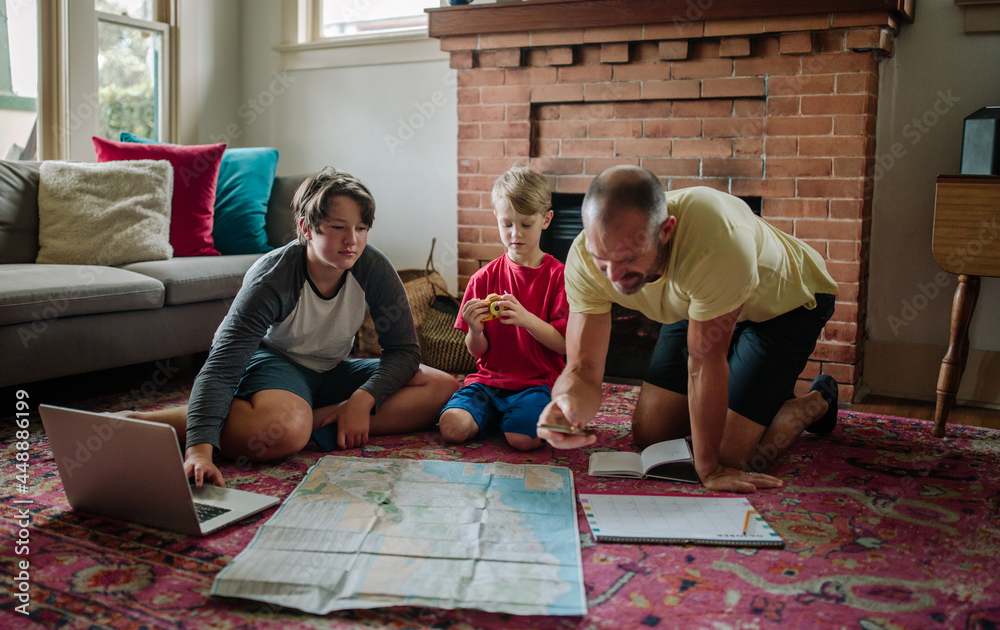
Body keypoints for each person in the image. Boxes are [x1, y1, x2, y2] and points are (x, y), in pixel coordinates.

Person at [130, 167, 458, 487]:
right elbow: (222, 367)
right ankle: (153, 424)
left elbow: (403, 351)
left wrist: (363, 400)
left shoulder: (373, 267)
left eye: (361, 228)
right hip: (274, 364)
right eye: (338, 227)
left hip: (331, 370)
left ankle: (308, 419)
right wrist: (199, 453)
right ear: (307, 227)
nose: (352, 241)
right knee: (283, 432)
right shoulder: (274, 277)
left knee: (441, 388)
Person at [537, 165, 840, 493]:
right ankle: (757, 396)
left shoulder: (717, 241)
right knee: (650, 433)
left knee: (730, 455)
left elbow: (705, 363)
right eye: (602, 260)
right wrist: (565, 404)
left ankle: (814, 402)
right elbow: (583, 369)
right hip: (698, 300)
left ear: (666, 230)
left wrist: (710, 469)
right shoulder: (584, 257)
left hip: (784, 306)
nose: (612, 275)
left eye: (627, 259)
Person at [438, 165, 569, 450]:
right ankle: (496, 416)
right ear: (496, 218)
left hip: (536, 383)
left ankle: (511, 419)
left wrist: (526, 319)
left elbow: (563, 346)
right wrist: (475, 329)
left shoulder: (559, 277)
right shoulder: (483, 278)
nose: (515, 234)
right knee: (450, 428)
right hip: (488, 382)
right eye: (507, 224)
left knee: (523, 440)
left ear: (546, 220)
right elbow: (477, 351)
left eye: (526, 224)